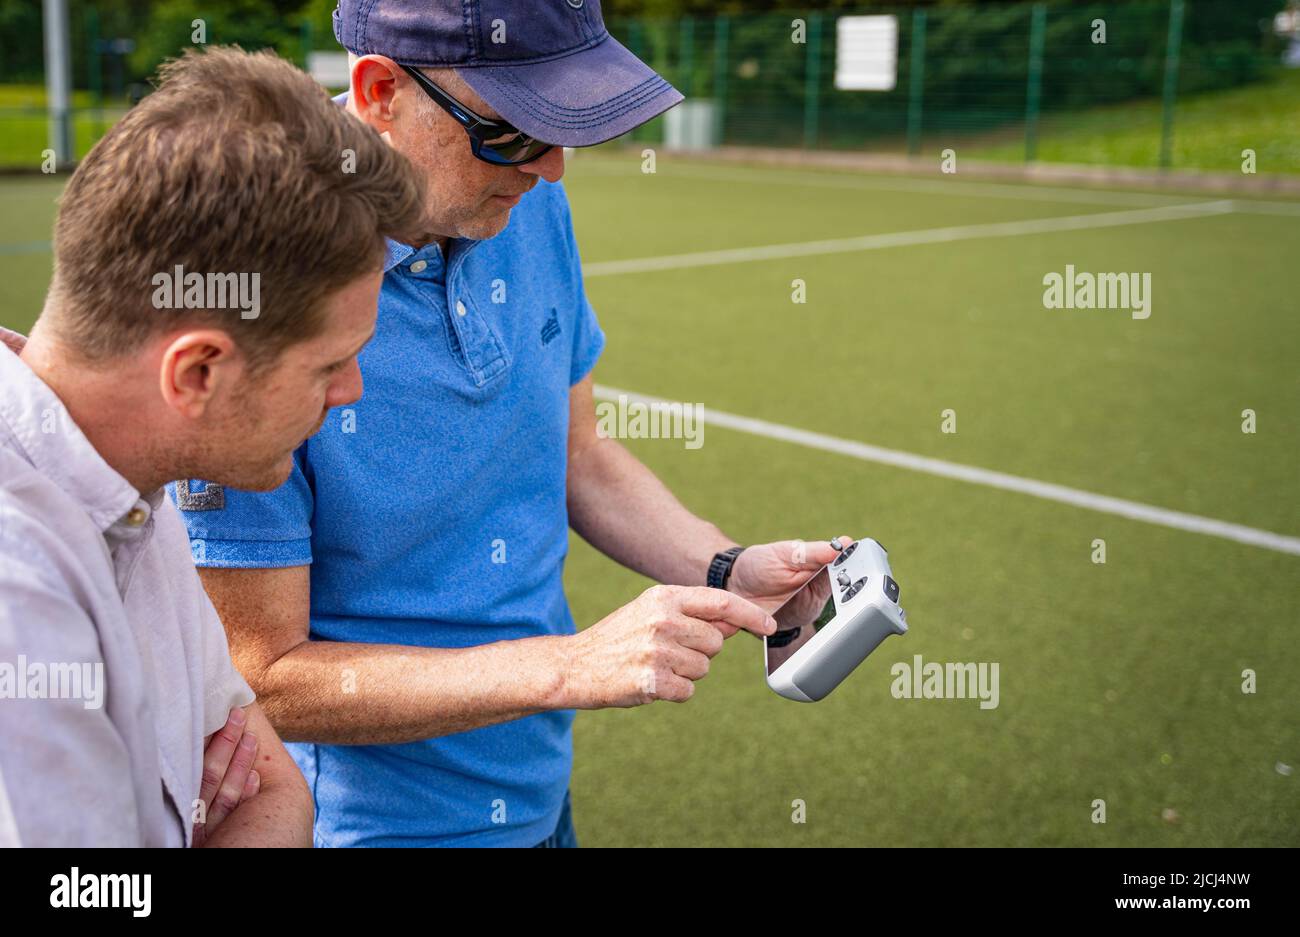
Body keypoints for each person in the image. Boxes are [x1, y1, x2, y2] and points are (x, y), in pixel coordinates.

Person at [174, 1, 843, 847]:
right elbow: (261, 678)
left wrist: (725, 567)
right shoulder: (254, 302)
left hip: (537, 786)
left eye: (563, 127)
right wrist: (566, 666)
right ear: (380, 91)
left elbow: (579, 455)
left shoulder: (519, 201)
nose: (553, 167)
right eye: (516, 130)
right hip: (374, 831)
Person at [0, 45, 428, 846]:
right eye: (330, 364)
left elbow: (275, 791)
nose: (352, 392)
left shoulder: (131, 483)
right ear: (197, 371)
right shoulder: (16, 596)